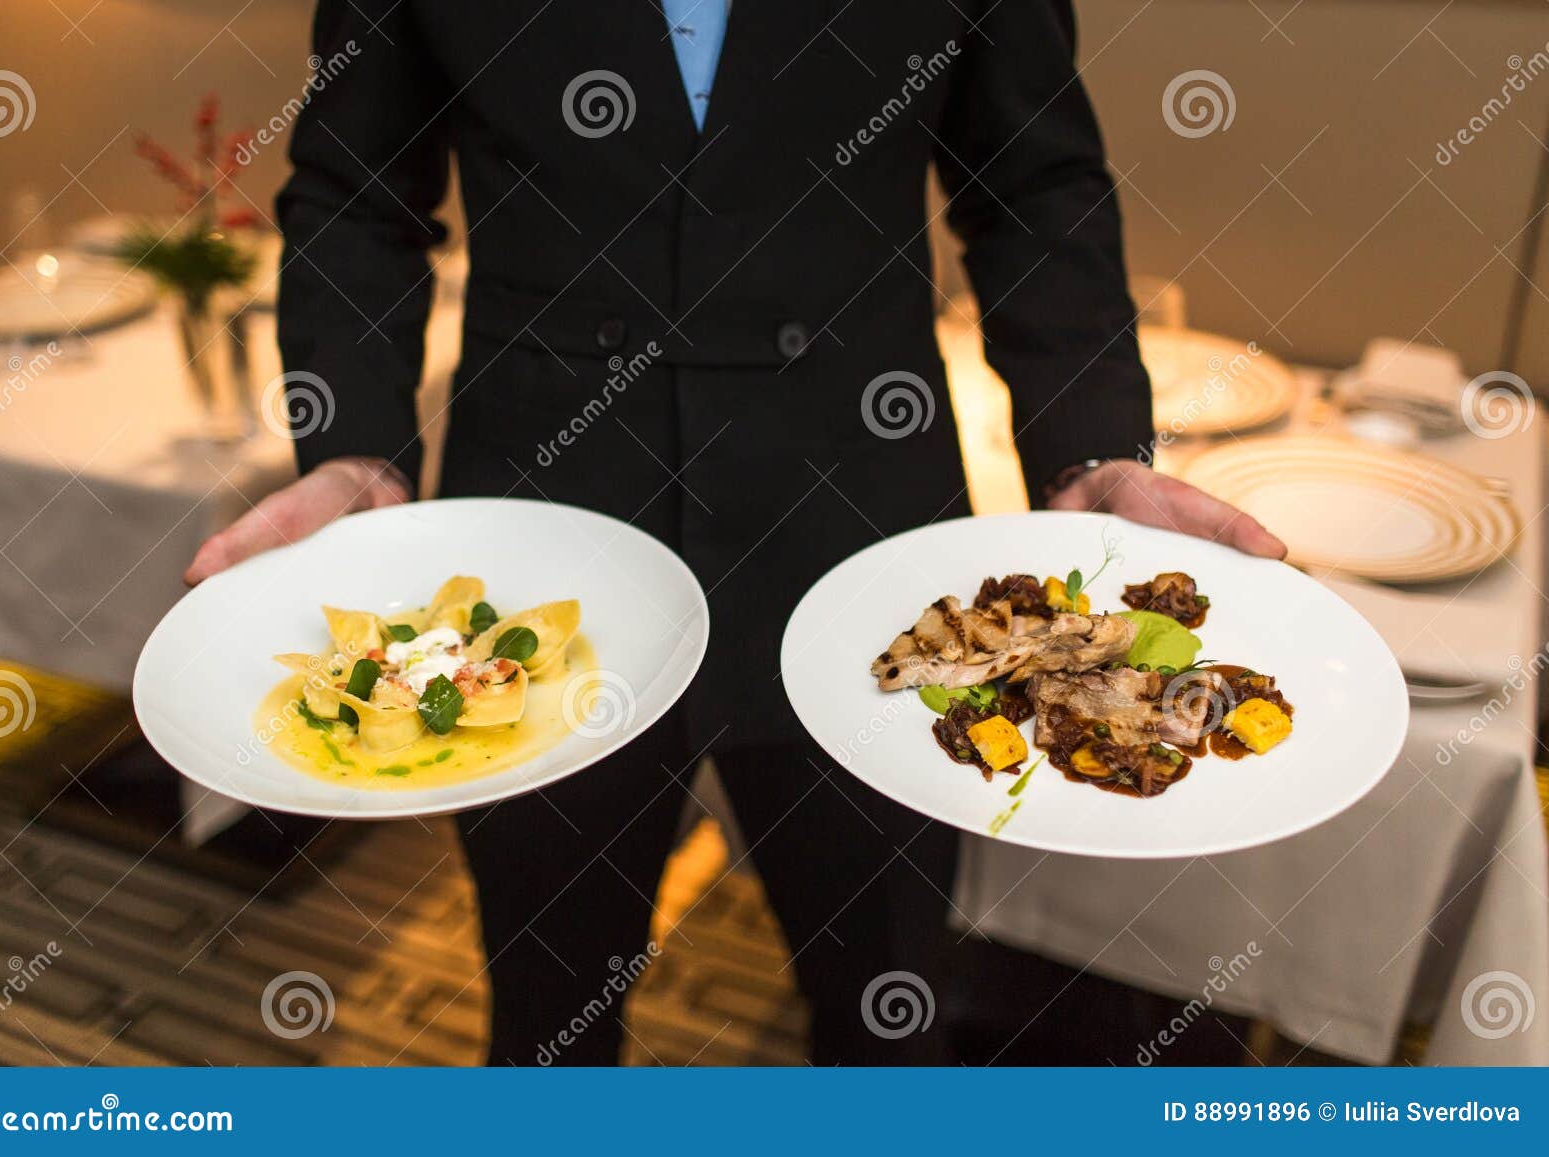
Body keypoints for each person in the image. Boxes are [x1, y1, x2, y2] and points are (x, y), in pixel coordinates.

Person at [186, 0, 1284, 1064]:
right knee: (546, 1014)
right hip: (541, 540)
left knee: (886, 1018)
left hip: (859, 535)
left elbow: (1034, 186)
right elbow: (357, 192)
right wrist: (356, 443)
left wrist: (1090, 446)